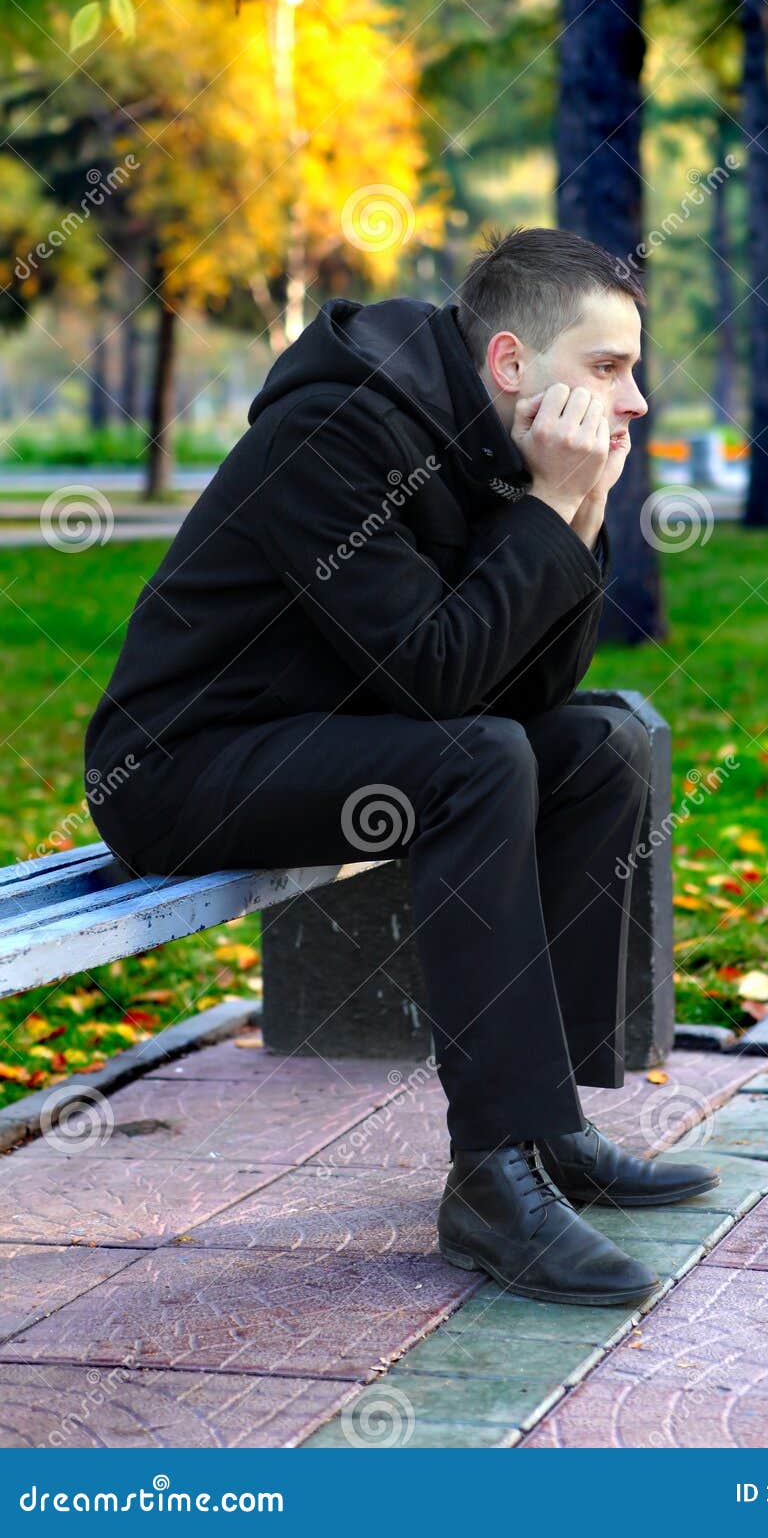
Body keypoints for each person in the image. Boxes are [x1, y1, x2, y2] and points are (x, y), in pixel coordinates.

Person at [83, 225, 718, 1308]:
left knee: (595, 748)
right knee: (474, 765)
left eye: (632, 370)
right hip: (181, 764)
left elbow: (527, 690)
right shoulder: (339, 430)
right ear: (510, 363)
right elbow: (435, 679)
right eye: (608, 368)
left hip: (329, 733)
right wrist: (545, 511)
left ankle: (548, 1128)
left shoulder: (485, 436)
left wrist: (580, 508)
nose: (634, 402)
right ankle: (492, 1174)